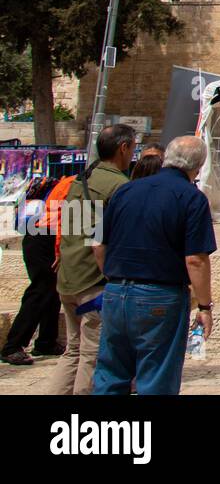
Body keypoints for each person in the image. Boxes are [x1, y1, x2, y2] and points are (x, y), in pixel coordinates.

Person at [92, 135, 217, 396]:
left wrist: (114, 279)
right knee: (156, 376)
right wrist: (205, 306)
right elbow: (195, 258)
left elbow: (98, 245)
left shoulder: (126, 190)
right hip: (159, 295)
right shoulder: (191, 198)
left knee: (110, 372)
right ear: (199, 166)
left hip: (116, 292)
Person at [47, 123, 135, 395]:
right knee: (91, 354)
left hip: (69, 277)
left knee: (73, 350)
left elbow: (70, 227)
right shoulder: (119, 186)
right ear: (123, 148)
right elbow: (112, 239)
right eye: (132, 147)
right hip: (93, 283)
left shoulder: (80, 179)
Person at [0, 175, 72, 366]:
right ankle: (12, 347)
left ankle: (46, 342)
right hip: (43, 238)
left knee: (52, 290)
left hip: (42, 236)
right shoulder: (77, 184)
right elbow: (63, 220)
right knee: (40, 290)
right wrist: (59, 250)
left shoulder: (72, 182)